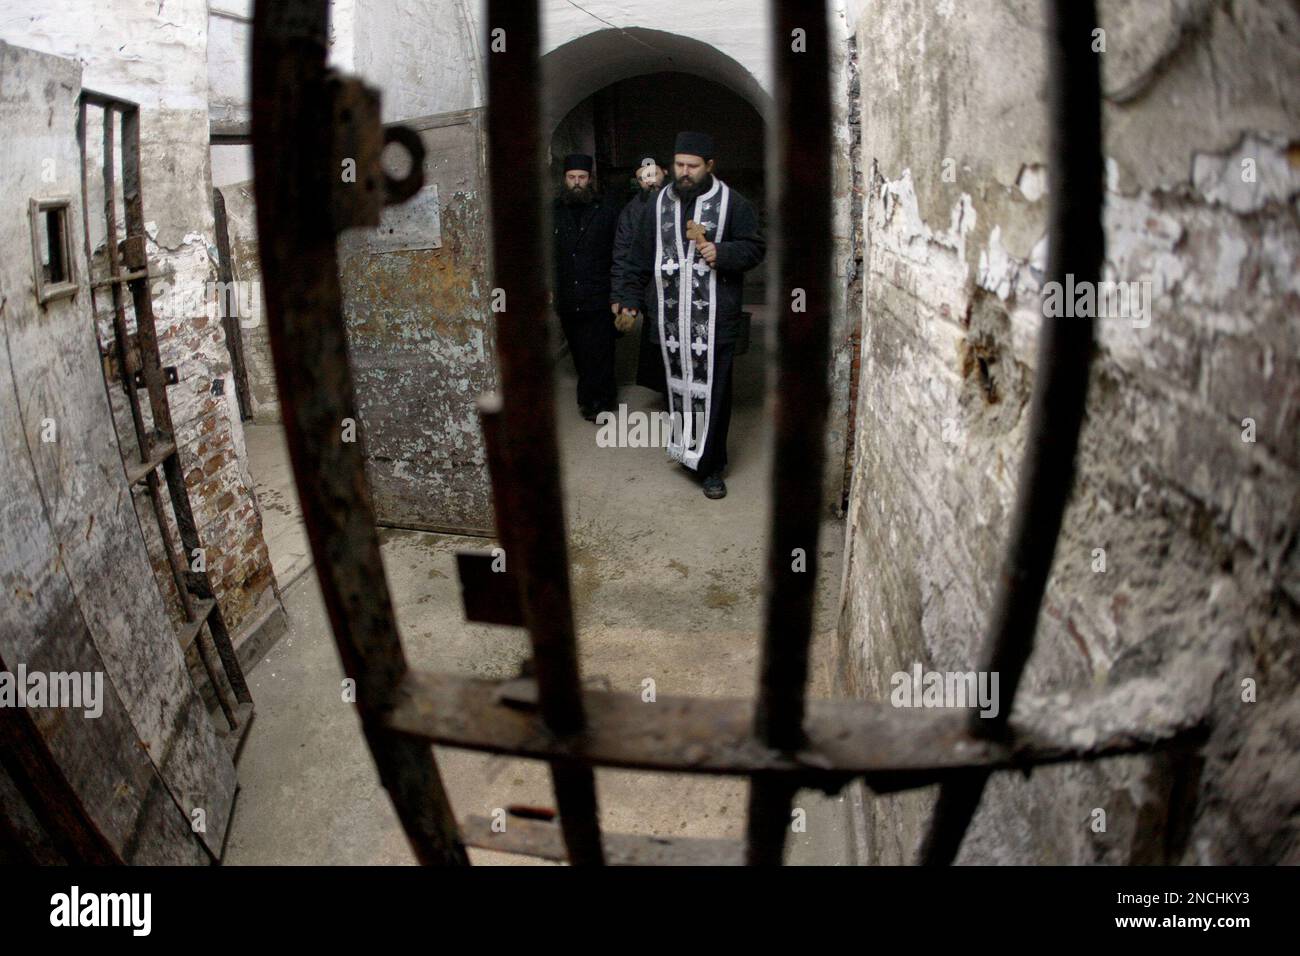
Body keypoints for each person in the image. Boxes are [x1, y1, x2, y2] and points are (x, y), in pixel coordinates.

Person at [613, 132, 765, 500]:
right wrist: (629, 298)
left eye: (692, 166)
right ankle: (687, 451)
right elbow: (638, 255)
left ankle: (711, 467)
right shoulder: (658, 203)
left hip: (716, 319)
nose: (683, 172)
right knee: (677, 388)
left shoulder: (733, 203)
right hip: (669, 319)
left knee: (713, 391)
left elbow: (755, 247)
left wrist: (723, 253)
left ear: (709, 166)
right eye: (679, 164)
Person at [552, 152, 621, 421]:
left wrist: (619, 293)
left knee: (602, 350)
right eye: (572, 178)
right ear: (564, 179)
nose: (577, 182)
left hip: (600, 293)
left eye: (582, 177)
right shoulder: (552, 211)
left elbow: (618, 251)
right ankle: (588, 398)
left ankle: (603, 402)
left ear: (590, 179)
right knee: (580, 352)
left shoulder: (606, 210)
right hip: (568, 295)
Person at [610, 157, 669, 395]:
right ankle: (668, 393)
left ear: (665, 172)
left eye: (653, 173)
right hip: (647, 289)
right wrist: (619, 295)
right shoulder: (631, 212)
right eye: (643, 177)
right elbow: (621, 255)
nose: (649, 180)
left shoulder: (686, 202)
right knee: (657, 343)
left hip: (681, 285)